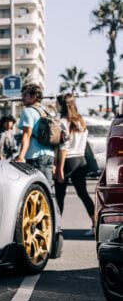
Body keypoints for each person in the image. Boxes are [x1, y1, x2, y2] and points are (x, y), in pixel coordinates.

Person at [54, 93, 95, 235]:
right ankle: (95, 224)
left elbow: (63, 147)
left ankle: (56, 227)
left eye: (58, 104)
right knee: (83, 193)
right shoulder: (81, 121)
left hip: (68, 161)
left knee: (59, 195)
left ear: (63, 105)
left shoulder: (63, 122)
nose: (56, 106)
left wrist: (59, 168)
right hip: (81, 159)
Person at [15, 83, 55, 186]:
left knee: (37, 190)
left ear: (33, 97)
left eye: (24, 95)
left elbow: (27, 135)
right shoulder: (46, 111)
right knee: (47, 189)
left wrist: (21, 156)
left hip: (35, 156)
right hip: (50, 155)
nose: (22, 98)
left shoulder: (28, 111)